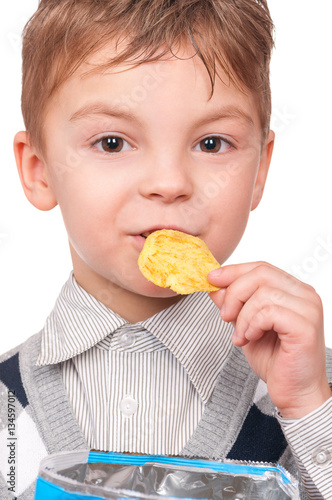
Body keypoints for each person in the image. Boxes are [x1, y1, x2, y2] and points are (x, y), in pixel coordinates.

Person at [0, 0, 331, 498]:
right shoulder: (9, 407)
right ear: (39, 170)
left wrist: (309, 405)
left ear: (260, 170)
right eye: (112, 143)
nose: (170, 182)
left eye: (212, 143)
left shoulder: (311, 391)